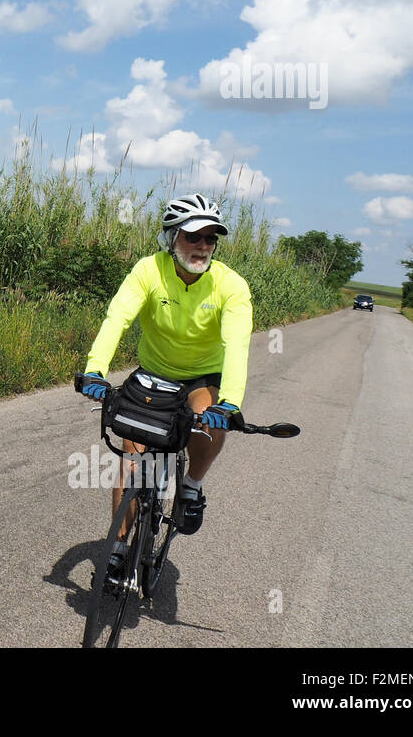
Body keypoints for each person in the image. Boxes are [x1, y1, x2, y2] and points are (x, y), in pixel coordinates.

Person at [77, 193, 252, 571]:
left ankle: (191, 485)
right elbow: (117, 319)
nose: (203, 246)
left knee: (208, 421)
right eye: (193, 237)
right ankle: (119, 548)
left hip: (201, 377)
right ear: (171, 238)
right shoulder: (148, 270)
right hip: (154, 373)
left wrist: (231, 402)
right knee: (133, 457)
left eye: (210, 238)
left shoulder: (231, 286)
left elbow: (236, 344)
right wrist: (95, 369)